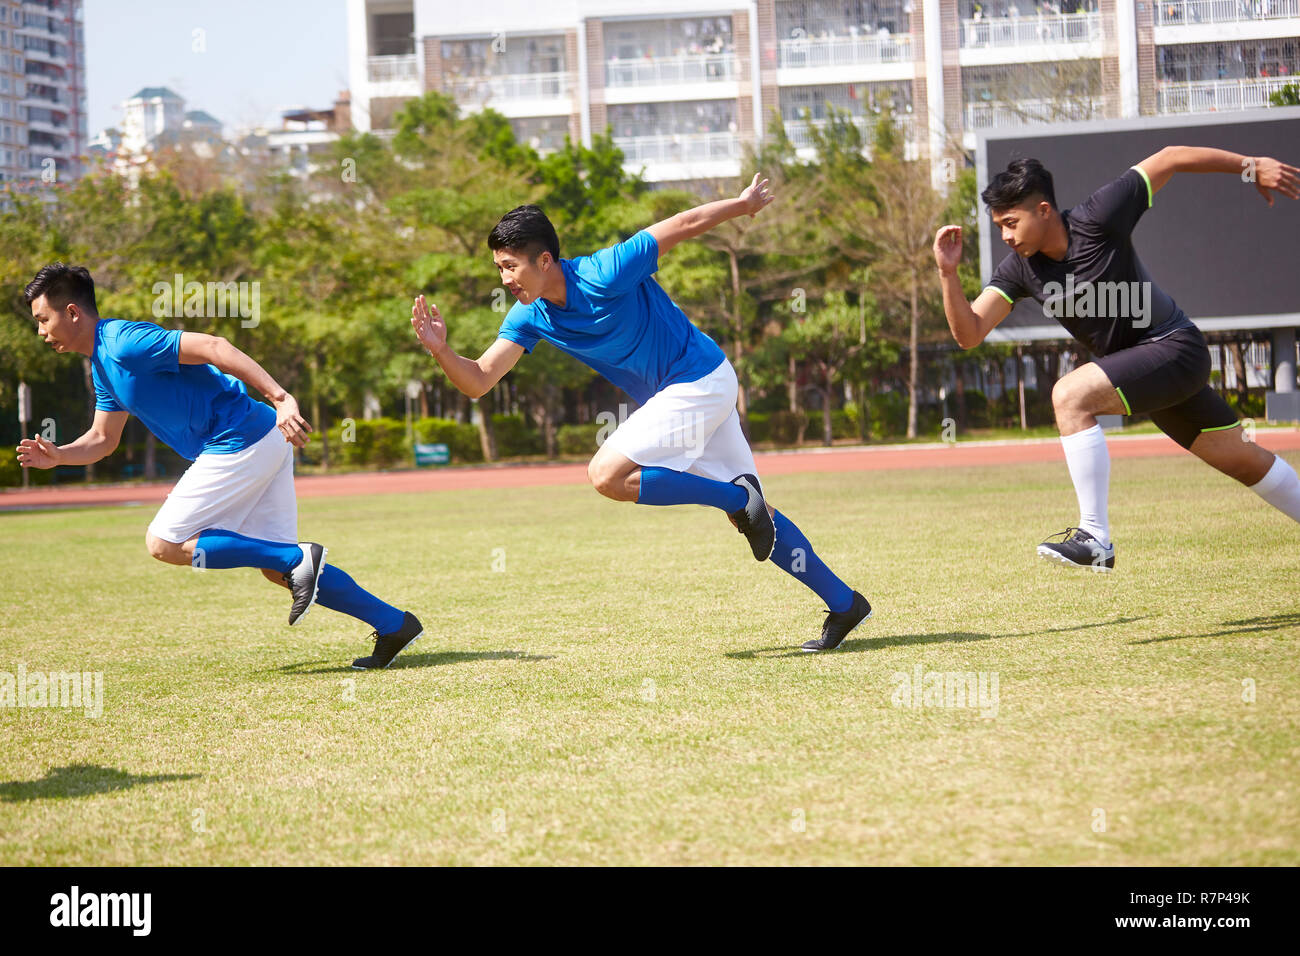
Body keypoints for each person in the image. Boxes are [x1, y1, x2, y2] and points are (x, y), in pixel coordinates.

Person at [410, 177, 872, 651]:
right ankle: (843, 603)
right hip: (690, 394)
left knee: (606, 475)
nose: (504, 279)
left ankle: (734, 498)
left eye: (510, 267)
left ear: (544, 260)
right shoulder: (530, 316)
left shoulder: (604, 271)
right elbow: (480, 380)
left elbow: (683, 224)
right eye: (499, 268)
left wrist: (743, 204)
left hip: (698, 379)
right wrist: (442, 351)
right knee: (759, 519)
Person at [17, 264, 422, 669]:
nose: (41, 332)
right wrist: (59, 454)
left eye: (43, 319)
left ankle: (297, 558)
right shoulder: (103, 366)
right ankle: (393, 624)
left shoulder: (123, 342)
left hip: (238, 438)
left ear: (72, 312)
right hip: (262, 440)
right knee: (275, 567)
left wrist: (281, 398)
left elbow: (216, 347)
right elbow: (103, 440)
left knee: (164, 543)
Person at [932, 149, 1300, 570]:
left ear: (1045, 210)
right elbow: (970, 333)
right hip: (1149, 373)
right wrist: (948, 274)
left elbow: (1172, 158)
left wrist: (1250, 165)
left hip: (1175, 347)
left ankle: (1095, 537)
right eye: (999, 227)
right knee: (1246, 461)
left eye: (1011, 223)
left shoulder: (1099, 215)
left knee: (1069, 396)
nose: (1006, 237)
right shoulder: (1019, 270)